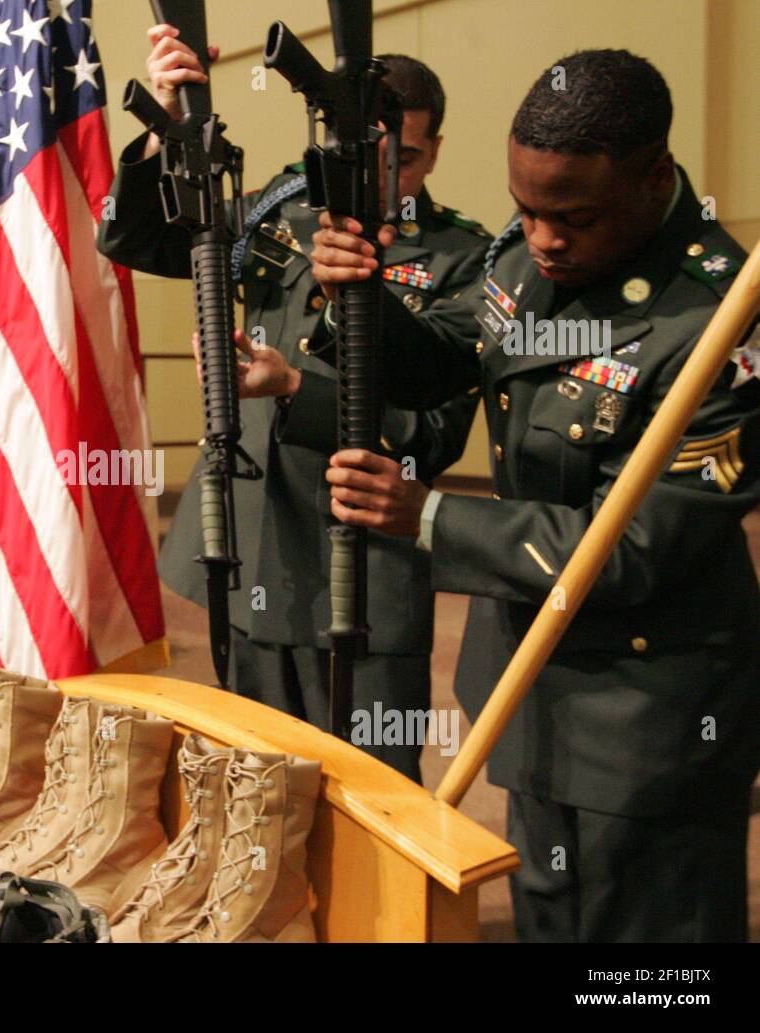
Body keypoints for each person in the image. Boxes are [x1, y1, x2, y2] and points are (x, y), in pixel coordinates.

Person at [273, 49, 759, 942]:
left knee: (651, 967)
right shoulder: (530, 259)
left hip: (650, 715)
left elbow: (637, 546)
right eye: (527, 209)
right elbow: (444, 360)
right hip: (532, 689)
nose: (541, 237)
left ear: (655, 180)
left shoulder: (722, 319)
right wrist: (360, 300)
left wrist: (429, 516)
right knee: (550, 922)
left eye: (569, 217)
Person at [98, 24, 490, 780]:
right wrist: (170, 132)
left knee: (374, 793)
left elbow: (430, 436)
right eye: (366, 155)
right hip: (248, 549)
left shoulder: (461, 257)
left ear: (434, 150)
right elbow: (139, 239)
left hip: (363, 576)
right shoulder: (285, 213)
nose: (380, 176)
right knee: (253, 784)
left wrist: (294, 389)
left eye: (402, 159)